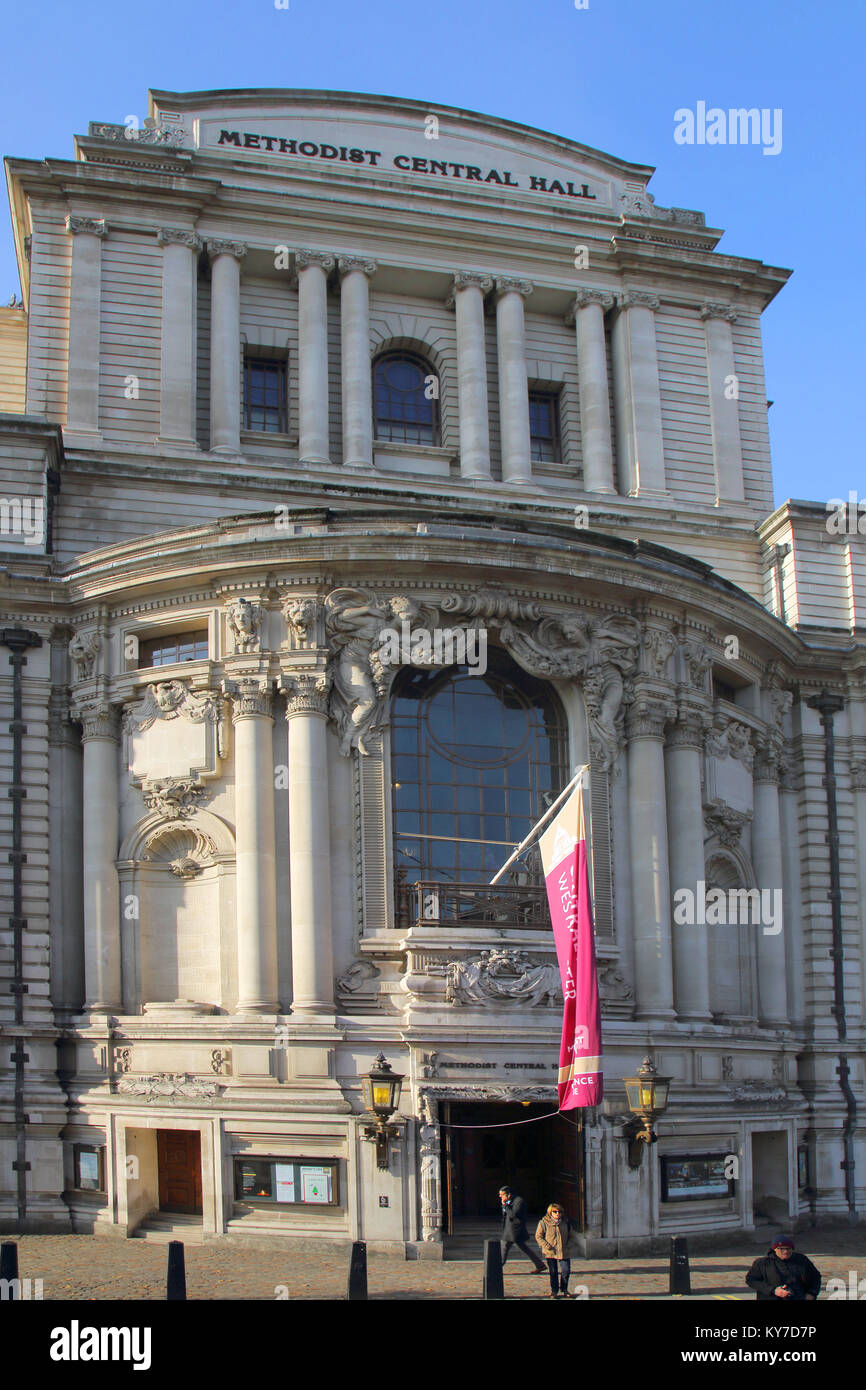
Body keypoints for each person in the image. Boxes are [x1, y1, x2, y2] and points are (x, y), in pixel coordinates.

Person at [745, 1235, 821, 1300]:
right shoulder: (763, 1263)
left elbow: (816, 1277)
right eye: (782, 1249)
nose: (785, 1251)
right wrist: (773, 1290)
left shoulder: (801, 1260)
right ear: (775, 1249)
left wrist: (812, 1293)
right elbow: (751, 1280)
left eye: (788, 1249)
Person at [536, 1202, 579, 1298]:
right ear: (550, 1213)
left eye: (559, 1212)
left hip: (564, 1251)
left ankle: (564, 1289)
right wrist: (546, 1245)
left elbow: (572, 1236)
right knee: (553, 1272)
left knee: (566, 1270)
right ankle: (554, 1291)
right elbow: (539, 1236)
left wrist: (568, 1245)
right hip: (551, 1251)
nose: (557, 1214)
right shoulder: (544, 1222)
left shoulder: (566, 1222)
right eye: (554, 1212)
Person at [499, 1186, 545, 1274]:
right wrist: (505, 1205)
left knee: (504, 1248)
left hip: (514, 1230)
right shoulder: (509, 1201)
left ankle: (497, 1268)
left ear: (508, 1195)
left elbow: (513, 1215)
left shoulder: (519, 1201)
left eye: (502, 1194)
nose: (500, 1196)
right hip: (509, 1230)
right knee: (522, 1248)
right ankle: (540, 1265)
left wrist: (505, 1205)